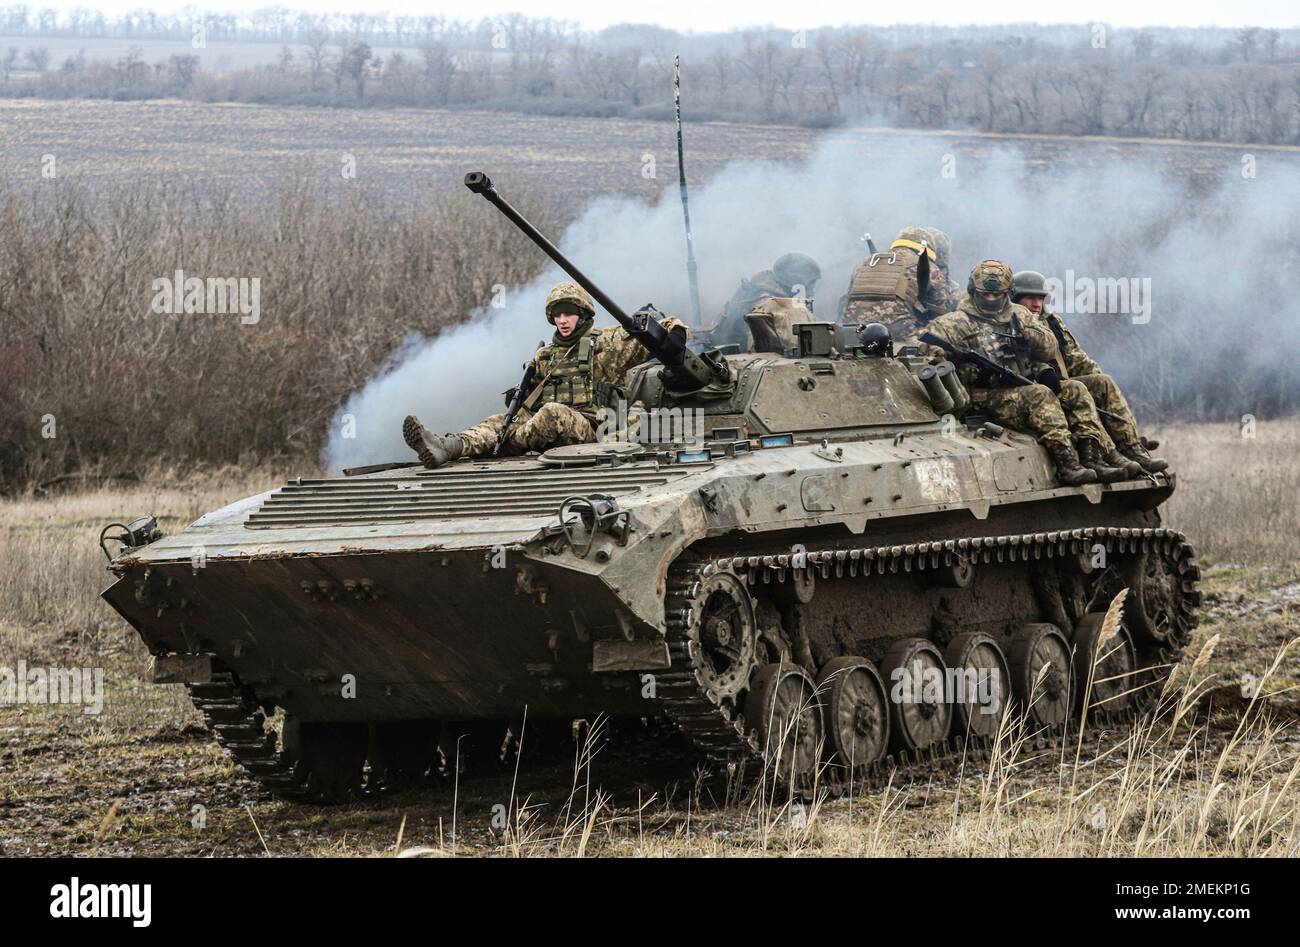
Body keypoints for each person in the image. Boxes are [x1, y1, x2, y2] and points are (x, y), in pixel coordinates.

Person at [403, 281, 687, 468]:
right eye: (557, 315)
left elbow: (669, 324)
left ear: (583, 314)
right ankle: (447, 446)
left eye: (569, 314)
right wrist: (517, 398)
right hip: (544, 429)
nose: (563, 320)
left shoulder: (606, 345)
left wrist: (675, 334)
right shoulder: (546, 356)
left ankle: (508, 446)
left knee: (552, 412)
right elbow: (529, 403)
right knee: (499, 421)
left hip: (594, 428)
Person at [924, 260, 1130, 486]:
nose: (992, 300)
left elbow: (1048, 349)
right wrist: (948, 357)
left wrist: (1031, 337)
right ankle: (1067, 464)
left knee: (1075, 390)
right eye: (985, 295)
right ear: (974, 291)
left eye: (998, 295)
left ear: (1007, 293)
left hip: (1016, 385)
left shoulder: (1019, 316)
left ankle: (1093, 457)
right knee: (1039, 395)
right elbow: (927, 357)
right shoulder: (951, 324)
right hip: (978, 396)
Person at [1010, 270, 1168, 473]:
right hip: (1036, 389)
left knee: (1102, 382)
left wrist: (1095, 379)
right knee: (1077, 390)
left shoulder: (1050, 321)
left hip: (1063, 382)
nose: (1036, 304)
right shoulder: (1012, 325)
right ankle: (1105, 454)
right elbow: (1017, 364)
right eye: (1030, 298)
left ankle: (1131, 446)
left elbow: (1076, 357)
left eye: (1040, 298)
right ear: (1015, 299)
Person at [840, 227, 957, 347]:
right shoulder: (930, 268)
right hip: (899, 335)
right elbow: (941, 312)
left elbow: (847, 299)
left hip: (854, 333)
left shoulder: (864, 263)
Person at [705, 252, 822, 350]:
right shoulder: (774, 306)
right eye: (809, 286)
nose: (812, 293)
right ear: (794, 284)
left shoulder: (755, 289)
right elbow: (793, 348)